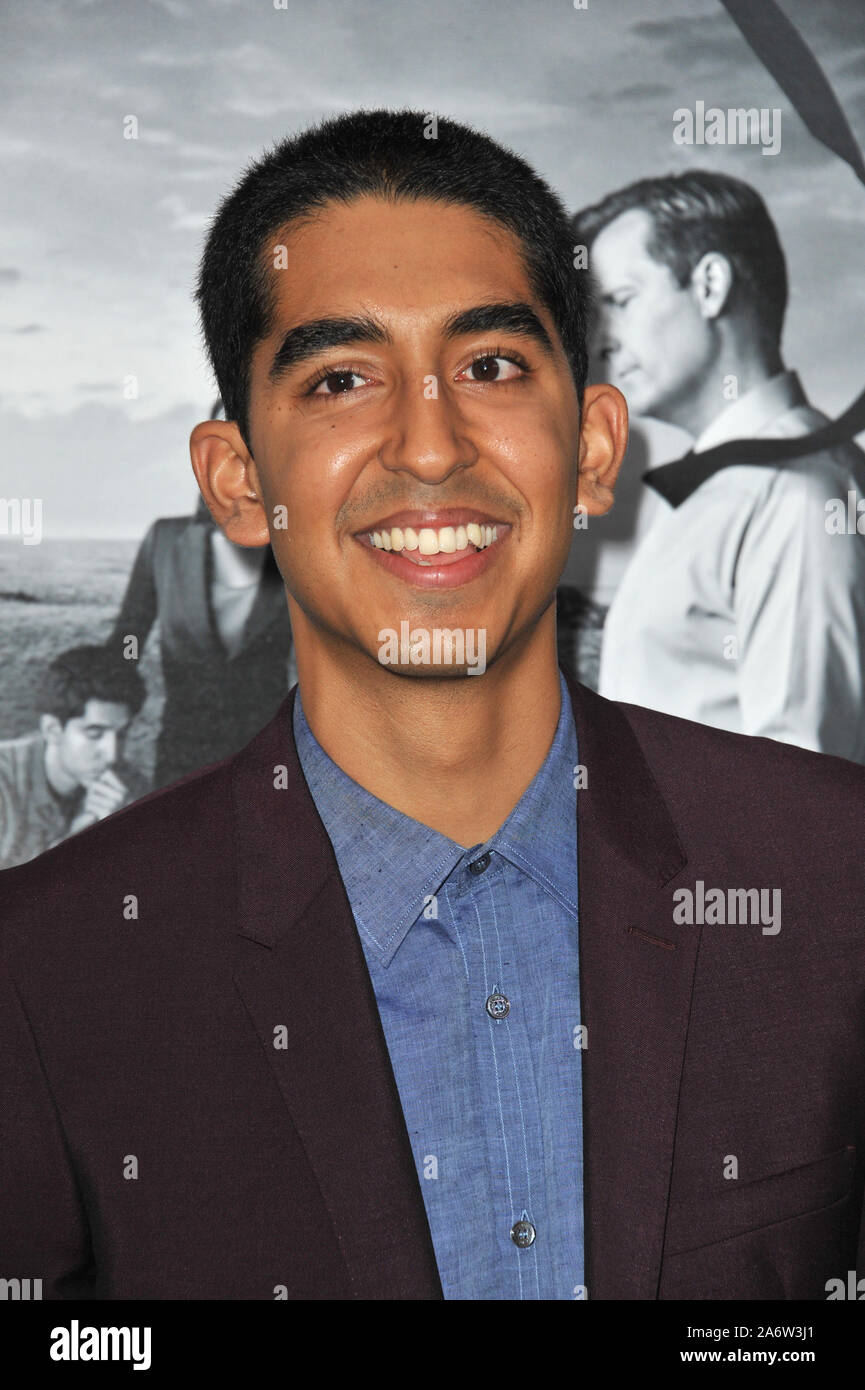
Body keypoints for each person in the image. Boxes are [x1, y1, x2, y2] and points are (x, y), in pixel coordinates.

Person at [1, 110, 863, 1301]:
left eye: (492, 366)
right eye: (342, 377)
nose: (428, 446)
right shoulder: (46, 969)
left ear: (594, 449)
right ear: (238, 481)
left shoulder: (836, 874)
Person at [572, 171, 865, 760]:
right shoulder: (728, 486)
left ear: (709, 286)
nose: (603, 340)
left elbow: (803, 788)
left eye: (622, 302)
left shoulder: (797, 494)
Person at [106, 399, 296, 788]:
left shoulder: (297, 545)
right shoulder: (165, 541)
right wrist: (105, 733)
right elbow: (127, 642)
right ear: (213, 458)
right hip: (179, 756)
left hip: (268, 763)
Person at [0, 645, 148, 870]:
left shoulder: (130, 788)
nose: (112, 754)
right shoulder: (4, 786)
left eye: (121, 734)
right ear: (52, 730)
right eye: (95, 734)